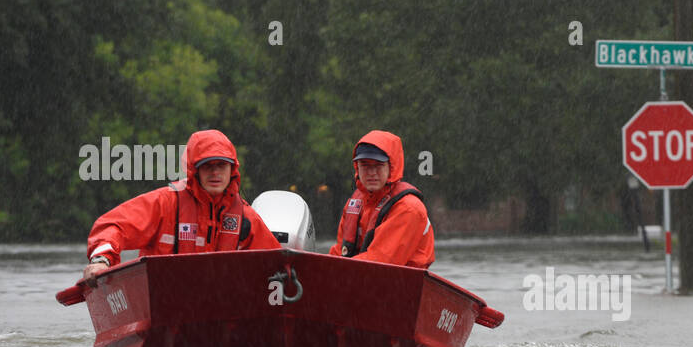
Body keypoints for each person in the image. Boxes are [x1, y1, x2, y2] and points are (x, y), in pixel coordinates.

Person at [81, 129, 279, 281]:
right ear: (194, 170)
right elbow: (112, 225)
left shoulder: (244, 216)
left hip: (220, 305)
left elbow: (277, 263)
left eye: (221, 165)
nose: (215, 173)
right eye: (208, 166)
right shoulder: (165, 203)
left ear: (232, 169)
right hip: (164, 299)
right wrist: (101, 261)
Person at [328, 129, 434, 268]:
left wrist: (332, 269)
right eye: (365, 165)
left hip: (403, 284)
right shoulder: (354, 204)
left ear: (391, 167)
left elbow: (382, 263)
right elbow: (338, 252)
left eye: (378, 165)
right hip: (362, 280)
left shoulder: (409, 208)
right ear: (357, 168)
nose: (372, 173)